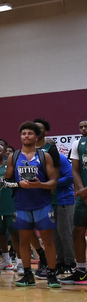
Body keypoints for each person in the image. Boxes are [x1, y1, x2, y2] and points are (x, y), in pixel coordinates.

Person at [4, 121, 60, 287]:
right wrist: (18, 184)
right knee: (24, 240)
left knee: (47, 240)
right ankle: (28, 274)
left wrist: (40, 185)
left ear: (36, 136)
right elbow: (6, 182)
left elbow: (53, 181)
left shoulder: (44, 156)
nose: (26, 136)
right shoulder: (13, 156)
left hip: (42, 204)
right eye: (23, 133)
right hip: (22, 205)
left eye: (29, 133)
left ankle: (51, 274)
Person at [34, 118, 76, 275]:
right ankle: (59, 262)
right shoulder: (38, 161)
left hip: (64, 200)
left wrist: (51, 183)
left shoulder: (62, 159)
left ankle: (70, 263)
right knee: (55, 234)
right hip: (49, 201)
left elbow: (71, 177)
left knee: (66, 233)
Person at [63, 119, 87, 284]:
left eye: (86, 126)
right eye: (81, 127)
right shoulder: (78, 143)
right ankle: (81, 270)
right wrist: (81, 191)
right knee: (77, 231)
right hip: (83, 195)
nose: (84, 129)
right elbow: (75, 170)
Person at [0, 141, 19, 275]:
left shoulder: (10, 165)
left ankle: (20, 262)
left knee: (14, 235)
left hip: (10, 204)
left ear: (5, 151)